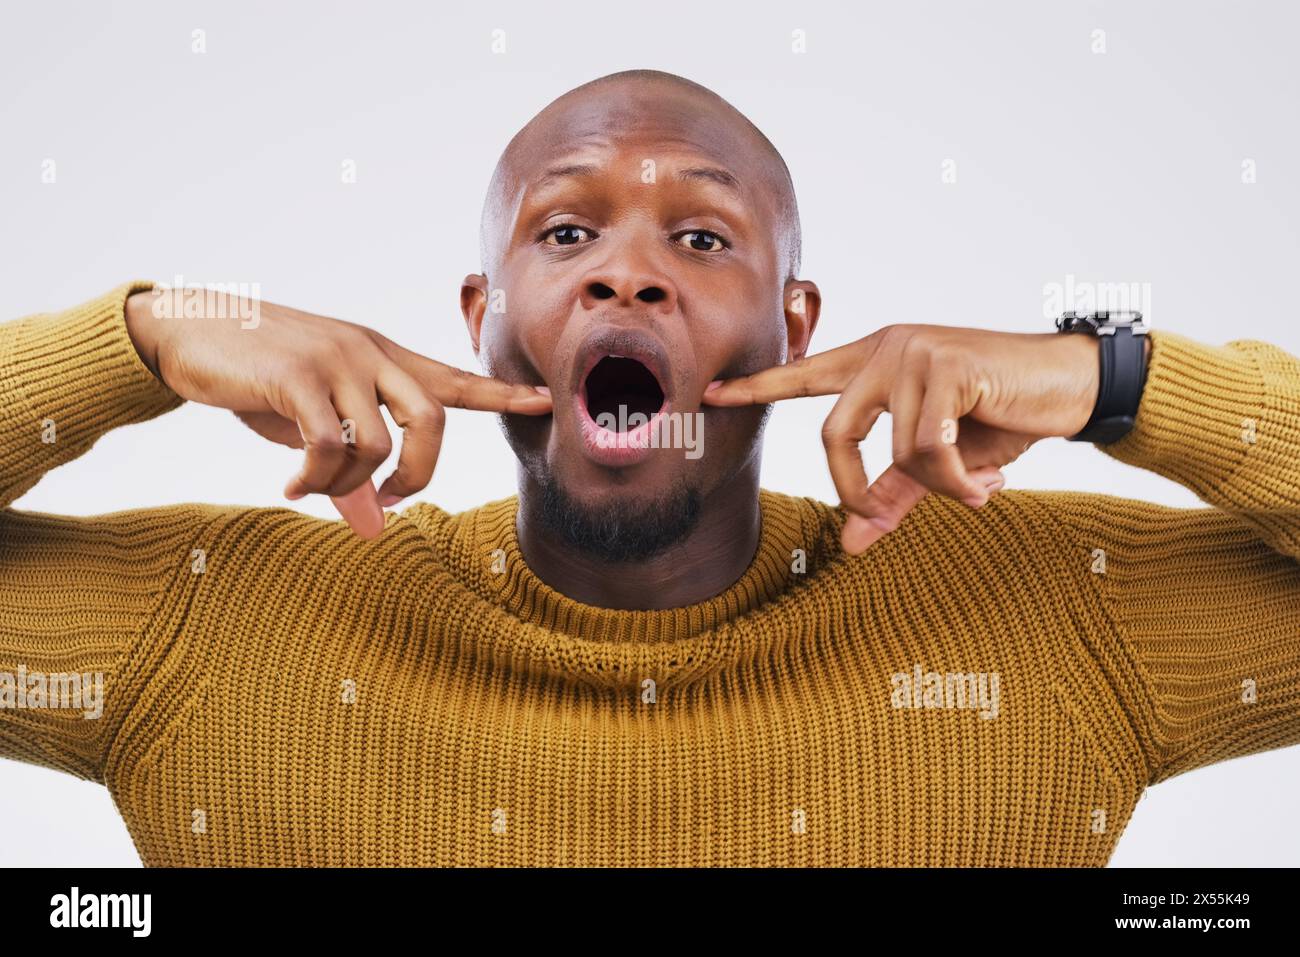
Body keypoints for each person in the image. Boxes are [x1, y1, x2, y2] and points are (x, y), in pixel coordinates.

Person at [2, 69, 1297, 866]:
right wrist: (144, 333)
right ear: (484, 314)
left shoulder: (1049, 609)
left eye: (701, 233)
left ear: (792, 325)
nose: (628, 270)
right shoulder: (218, 625)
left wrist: (1115, 377)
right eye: (566, 229)